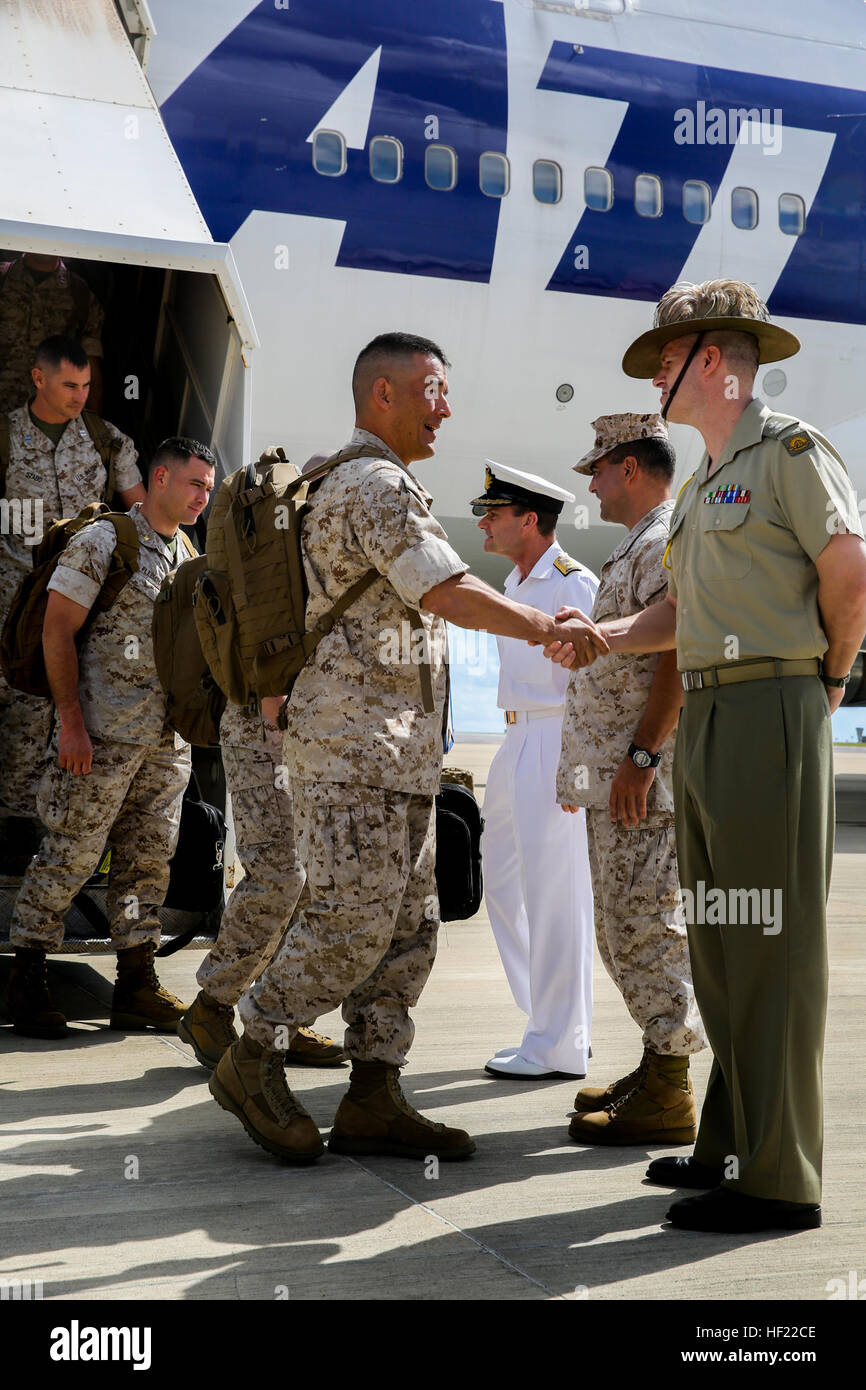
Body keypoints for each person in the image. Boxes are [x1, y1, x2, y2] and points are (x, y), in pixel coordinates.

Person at [208, 331, 608, 1165]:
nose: (446, 408)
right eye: (432, 390)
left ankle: (373, 1093)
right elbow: (444, 588)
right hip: (355, 752)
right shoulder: (373, 482)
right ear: (381, 395)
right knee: (350, 923)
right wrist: (546, 625)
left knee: (408, 930)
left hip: (396, 756)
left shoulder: (356, 481)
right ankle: (254, 1051)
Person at [546, 279, 866, 1233]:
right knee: (725, 948)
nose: (656, 379)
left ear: (715, 363)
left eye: (667, 361)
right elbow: (683, 614)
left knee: (773, 948)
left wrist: (828, 685)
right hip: (716, 717)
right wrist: (605, 636)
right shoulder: (700, 484)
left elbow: (850, 575)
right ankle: (730, 1144)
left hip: (773, 705)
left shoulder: (791, 454)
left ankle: (779, 1178)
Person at [5, 438, 215, 1039]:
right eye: (195, 484)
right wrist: (70, 721)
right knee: (68, 852)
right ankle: (29, 974)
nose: (203, 496)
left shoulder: (184, 550)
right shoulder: (106, 541)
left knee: (147, 864)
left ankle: (135, 981)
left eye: (207, 486)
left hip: (162, 742)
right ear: (160, 477)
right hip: (98, 737)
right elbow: (57, 630)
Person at [558, 413, 707, 1143]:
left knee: (645, 928)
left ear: (629, 467)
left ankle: (672, 1091)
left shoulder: (664, 539)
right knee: (622, 929)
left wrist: (642, 756)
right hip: (618, 778)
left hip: (638, 779)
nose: (591, 483)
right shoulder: (639, 543)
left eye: (597, 469)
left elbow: (679, 647)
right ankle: (657, 1064)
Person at [471, 461, 598, 1080]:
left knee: (556, 894)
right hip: (515, 736)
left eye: (493, 514)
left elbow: (594, 682)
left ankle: (559, 1042)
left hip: (554, 737)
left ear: (531, 520)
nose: (483, 524)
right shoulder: (518, 585)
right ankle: (547, 1021)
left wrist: (579, 763)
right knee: (501, 886)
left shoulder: (570, 584)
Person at [0, 335, 144, 817]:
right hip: (13, 602)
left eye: (85, 384)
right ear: (38, 379)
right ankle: (14, 829)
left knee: (70, 708)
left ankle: (52, 831)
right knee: (17, 713)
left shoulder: (107, 440)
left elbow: (141, 514)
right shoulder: (5, 437)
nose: (80, 395)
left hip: (80, 601)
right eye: (69, 384)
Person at [177, 693, 345, 1071]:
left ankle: (281, 1018)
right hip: (263, 731)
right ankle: (212, 1006)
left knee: (311, 880)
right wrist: (274, 702)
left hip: (311, 735)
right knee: (279, 876)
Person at [0, 253, 104, 414]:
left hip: (48, 421)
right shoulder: (3, 278)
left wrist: (91, 426)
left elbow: (90, 368)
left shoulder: (80, 294)